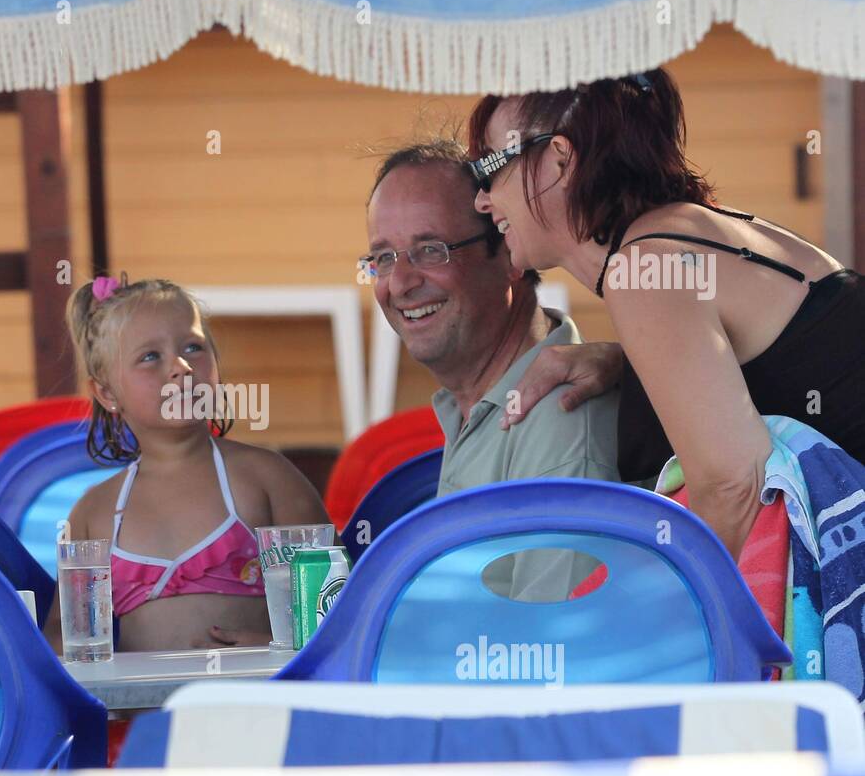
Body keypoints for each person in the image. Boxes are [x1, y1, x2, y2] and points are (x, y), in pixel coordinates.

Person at [469, 69, 864, 559]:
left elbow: (733, 488)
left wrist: (662, 621)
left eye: (489, 166)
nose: (482, 199)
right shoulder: (691, 234)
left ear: (559, 159)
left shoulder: (644, 266)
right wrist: (622, 362)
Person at [365, 139, 619, 600]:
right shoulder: (477, 407)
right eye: (383, 258)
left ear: (509, 253)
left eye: (430, 250)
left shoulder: (558, 411)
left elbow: (553, 650)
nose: (399, 283)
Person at [51, 275, 328, 651]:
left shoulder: (267, 479)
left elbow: (335, 607)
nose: (181, 367)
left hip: (257, 703)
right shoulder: (94, 513)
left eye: (193, 347)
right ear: (106, 392)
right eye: (151, 357)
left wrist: (276, 645)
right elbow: (60, 638)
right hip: (143, 710)